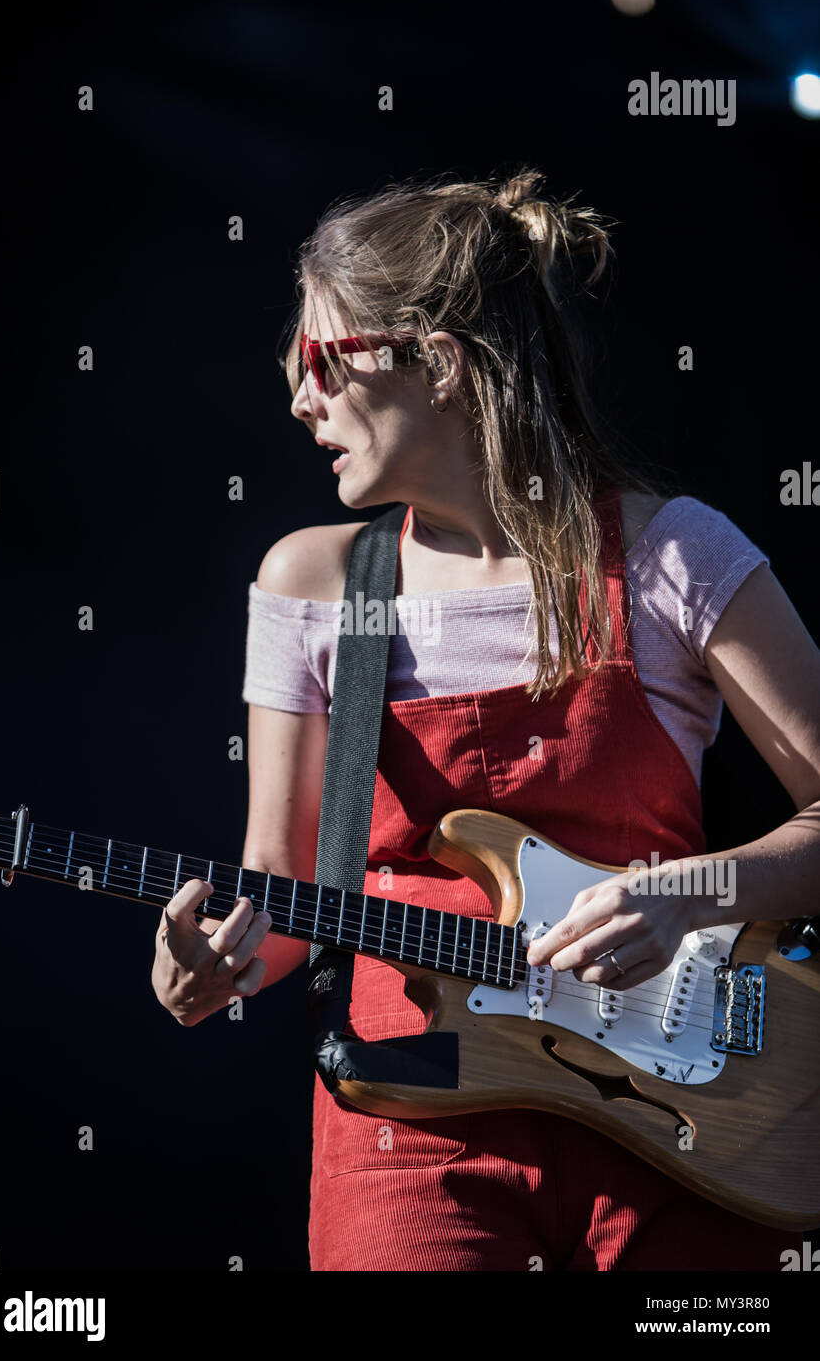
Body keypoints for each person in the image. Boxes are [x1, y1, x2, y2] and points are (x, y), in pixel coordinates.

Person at [151, 169, 820, 1271]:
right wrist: (203, 968)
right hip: (408, 1117)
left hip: (682, 1120)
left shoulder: (671, 555)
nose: (296, 402)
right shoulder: (312, 583)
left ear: (441, 363)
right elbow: (276, 890)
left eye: (318, 362)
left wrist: (691, 888)